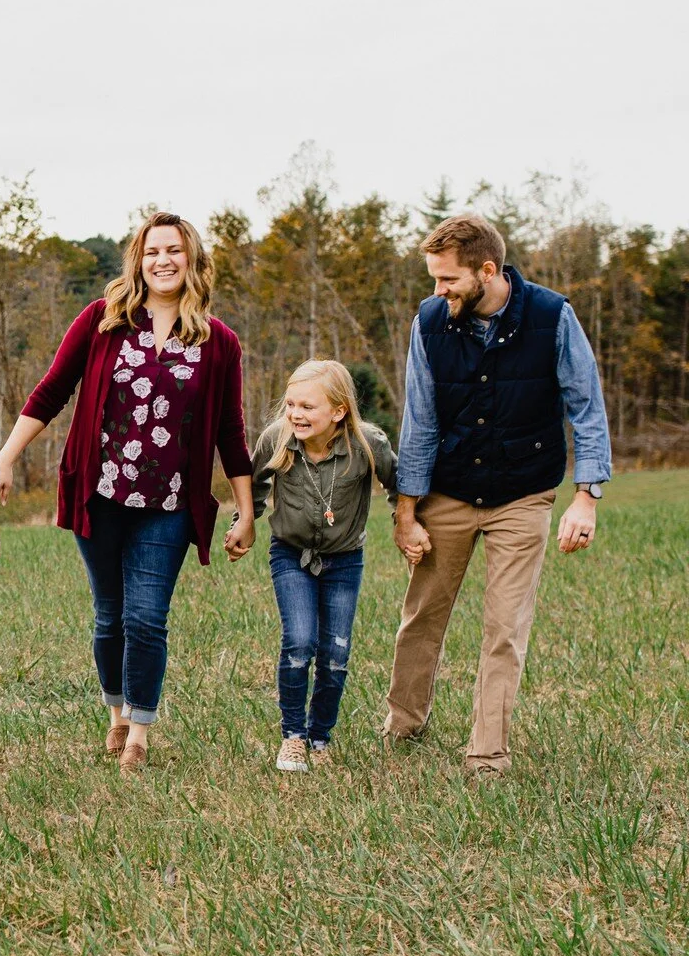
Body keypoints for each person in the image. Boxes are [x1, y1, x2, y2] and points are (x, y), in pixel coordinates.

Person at [0, 211, 255, 771]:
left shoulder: (219, 343)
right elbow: (52, 390)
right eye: (152, 251)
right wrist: (5, 459)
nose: (163, 261)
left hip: (170, 505)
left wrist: (246, 509)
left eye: (174, 250)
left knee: (147, 616)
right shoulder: (102, 320)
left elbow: (231, 431)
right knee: (110, 614)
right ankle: (115, 712)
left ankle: (139, 730)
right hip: (101, 494)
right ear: (138, 260)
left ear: (192, 260)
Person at [385, 213, 611, 776]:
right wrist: (407, 512)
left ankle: (487, 755)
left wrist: (586, 496)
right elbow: (420, 421)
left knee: (504, 627)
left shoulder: (552, 316)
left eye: (448, 279)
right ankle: (402, 727)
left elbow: (586, 406)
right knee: (421, 616)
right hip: (449, 491)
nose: (438, 290)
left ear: (487, 271)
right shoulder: (429, 321)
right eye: (434, 279)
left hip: (523, 493)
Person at [248, 360, 397, 773]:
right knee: (299, 642)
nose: (295, 414)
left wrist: (406, 522)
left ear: (338, 411)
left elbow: (399, 483)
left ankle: (319, 738)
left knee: (335, 653)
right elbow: (253, 482)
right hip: (290, 554)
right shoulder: (277, 439)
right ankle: (293, 737)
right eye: (291, 404)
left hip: (345, 560)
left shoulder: (367, 444)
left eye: (307, 407)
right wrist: (245, 521)